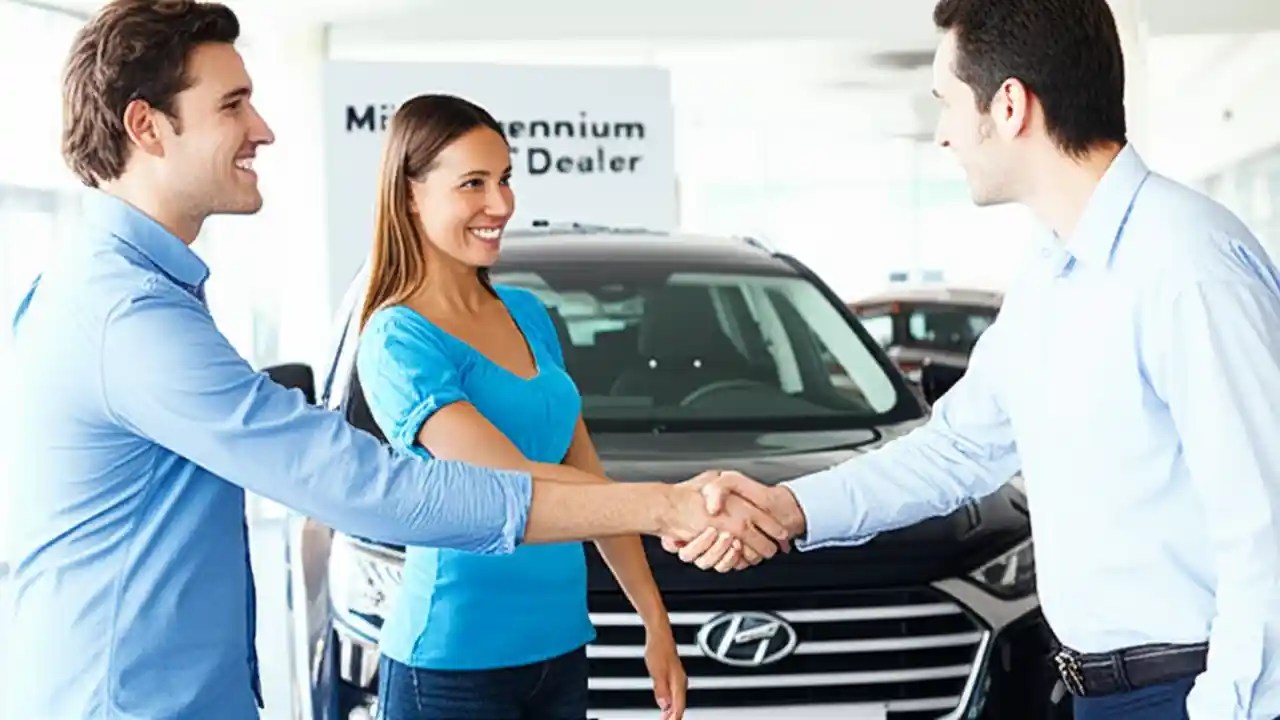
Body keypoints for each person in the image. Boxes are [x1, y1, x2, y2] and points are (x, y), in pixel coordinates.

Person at [3, 2, 787, 719]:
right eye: (232, 104)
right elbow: (371, 486)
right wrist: (662, 506)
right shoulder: (126, 314)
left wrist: (653, 576)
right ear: (147, 126)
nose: (263, 129)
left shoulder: (133, 290)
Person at [676, 1, 1280, 719]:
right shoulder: (1055, 270)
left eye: (948, 103)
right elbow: (959, 450)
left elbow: (1263, 515)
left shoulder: (1186, 263)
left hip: (1195, 692)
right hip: (1106, 692)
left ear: (1011, 105)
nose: (942, 135)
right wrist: (791, 507)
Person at [354, 94, 717, 720]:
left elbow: (588, 481)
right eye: (473, 183)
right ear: (409, 194)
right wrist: (666, 502)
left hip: (559, 648)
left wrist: (655, 621)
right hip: (451, 661)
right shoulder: (397, 339)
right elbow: (510, 478)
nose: (500, 205)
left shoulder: (526, 314)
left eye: (504, 179)